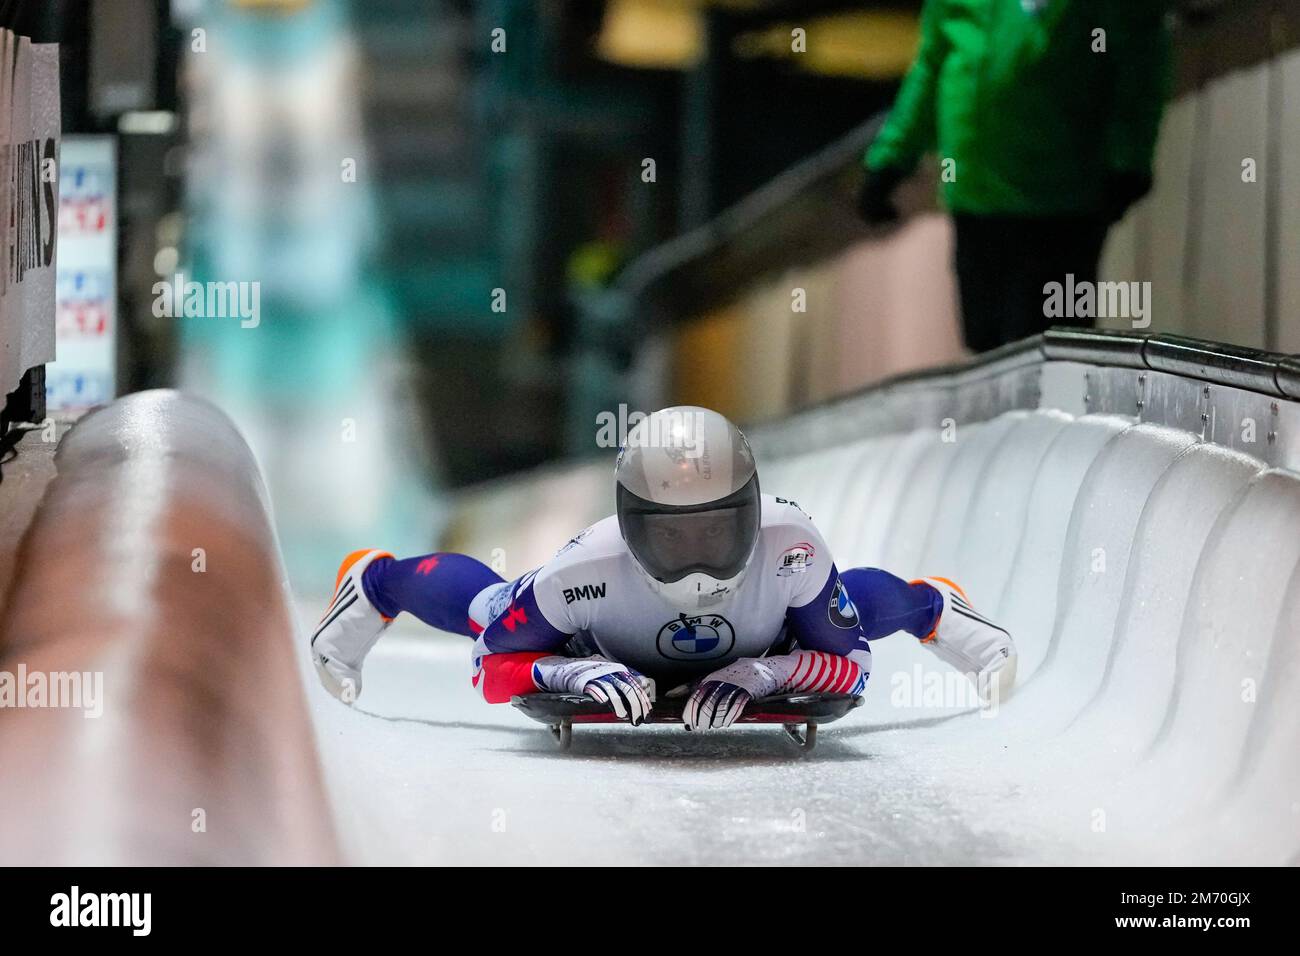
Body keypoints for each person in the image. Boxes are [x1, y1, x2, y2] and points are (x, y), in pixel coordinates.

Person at [311, 406, 1016, 729]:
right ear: (629, 525)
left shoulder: (790, 541)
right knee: (490, 608)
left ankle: (940, 608)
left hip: (757, 643)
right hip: (604, 644)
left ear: (749, 510)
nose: (699, 560)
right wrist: (565, 670)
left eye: (717, 529)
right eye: (673, 536)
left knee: (849, 608)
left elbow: (854, 664)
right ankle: (373, 581)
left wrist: (765, 672)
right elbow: (491, 664)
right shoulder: (585, 568)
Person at [858, 0, 1172, 352]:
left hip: (1063, 208)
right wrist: (890, 162)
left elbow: (1139, 65)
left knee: (1050, 348)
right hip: (977, 203)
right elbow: (930, 67)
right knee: (984, 342)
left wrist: (1129, 161)